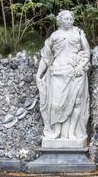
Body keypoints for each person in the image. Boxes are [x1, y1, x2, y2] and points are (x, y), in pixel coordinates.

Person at [36, 10, 91, 143]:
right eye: (66, 19)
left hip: (75, 73)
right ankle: (57, 132)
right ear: (60, 20)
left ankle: (72, 133)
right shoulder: (54, 36)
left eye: (71, 18)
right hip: (58, 73)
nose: (69, 21)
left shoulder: (78, 34)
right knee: (56, 104)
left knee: (76, 103)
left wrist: (81, 66)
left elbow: (87, 52)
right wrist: (39, 74)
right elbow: (46, 57)